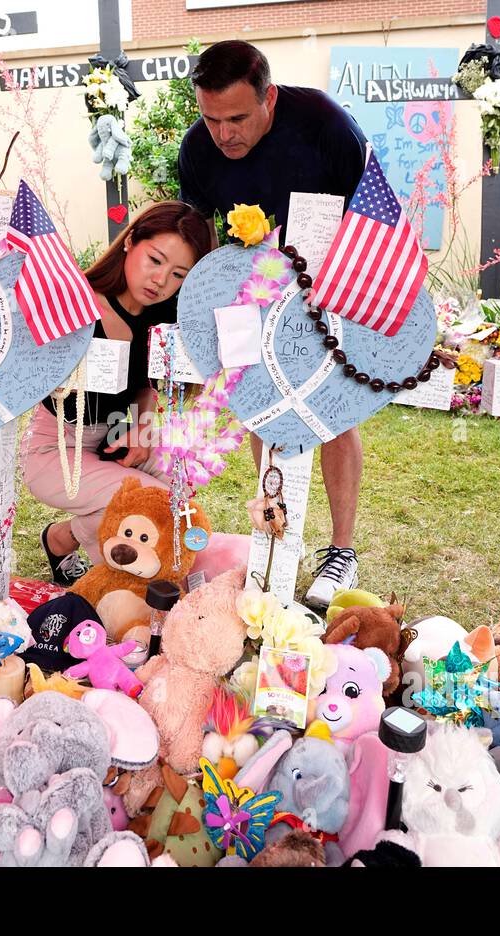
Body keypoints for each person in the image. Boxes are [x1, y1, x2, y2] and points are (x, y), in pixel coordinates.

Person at [178, 39, 370, 611]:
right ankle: (275, 526)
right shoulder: (198, 149)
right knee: (259, 407)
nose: (223, 134)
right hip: (247, 293)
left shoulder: (326, 125)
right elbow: (198, 236)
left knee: (332, 412)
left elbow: (370, 217)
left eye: (237, 118)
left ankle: (341, 550)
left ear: (270, 99)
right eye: (211, 119)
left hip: (326, 288)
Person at [25, 201, 213, 586]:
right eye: (155, 260)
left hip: (113, 439)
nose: (160, 280)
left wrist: (143, 429)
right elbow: (27, 370)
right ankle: (127, 587)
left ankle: (63, 538)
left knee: (180, 484)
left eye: (178, 274)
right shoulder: (77, 304)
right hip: (55, 449)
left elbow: (145, 386)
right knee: (150, 505)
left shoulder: (160, 317)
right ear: (130, 241)